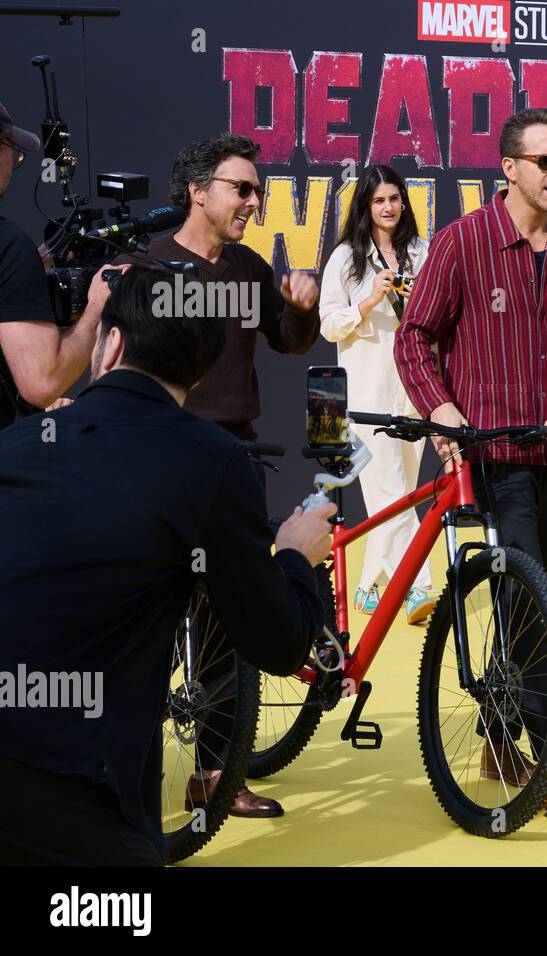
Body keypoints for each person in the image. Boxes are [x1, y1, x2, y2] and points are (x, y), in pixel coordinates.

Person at [0, 266, 334, 865]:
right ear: (201, 372)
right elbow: (280, 644)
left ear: (113, 343)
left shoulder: (18, 444)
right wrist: (294, 556)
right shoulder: (213, 462)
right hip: (79, 802)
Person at [395, 107, 547, 810]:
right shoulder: (462, 243)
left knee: (537, 599)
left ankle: (497, 737)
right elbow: (414, 338)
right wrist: (441, 408)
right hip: (494, 455)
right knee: (529, 598)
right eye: (546, 162)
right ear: (509, 168)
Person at [114, 132, 323, 819]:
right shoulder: (147, 267)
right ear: (198, 191)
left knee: (225, 623)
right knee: (145, 616)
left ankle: (214, 773)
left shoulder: (249, 268)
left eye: (257, 190)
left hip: (233, 459)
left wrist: (299, 309)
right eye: (242, 188)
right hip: (158, 457)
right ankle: (121, 771)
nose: (254, 201)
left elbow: (288, 344)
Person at [320, 164, 434, 625]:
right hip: (366, 394)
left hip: (413, 390)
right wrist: (366, 302)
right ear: (366, 206)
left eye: (395, 198)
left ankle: (367, 585)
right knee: (389, 492)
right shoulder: (347, 258)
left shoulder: (421, 252)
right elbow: (329, 324)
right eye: (379, 200)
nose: (389, 207)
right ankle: (419, 586)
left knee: (402, 493)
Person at [0, 100, 106, 426]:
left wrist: (27, 273)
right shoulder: (8, 247)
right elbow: (41, 384)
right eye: (12, 153)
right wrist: (98, 307)